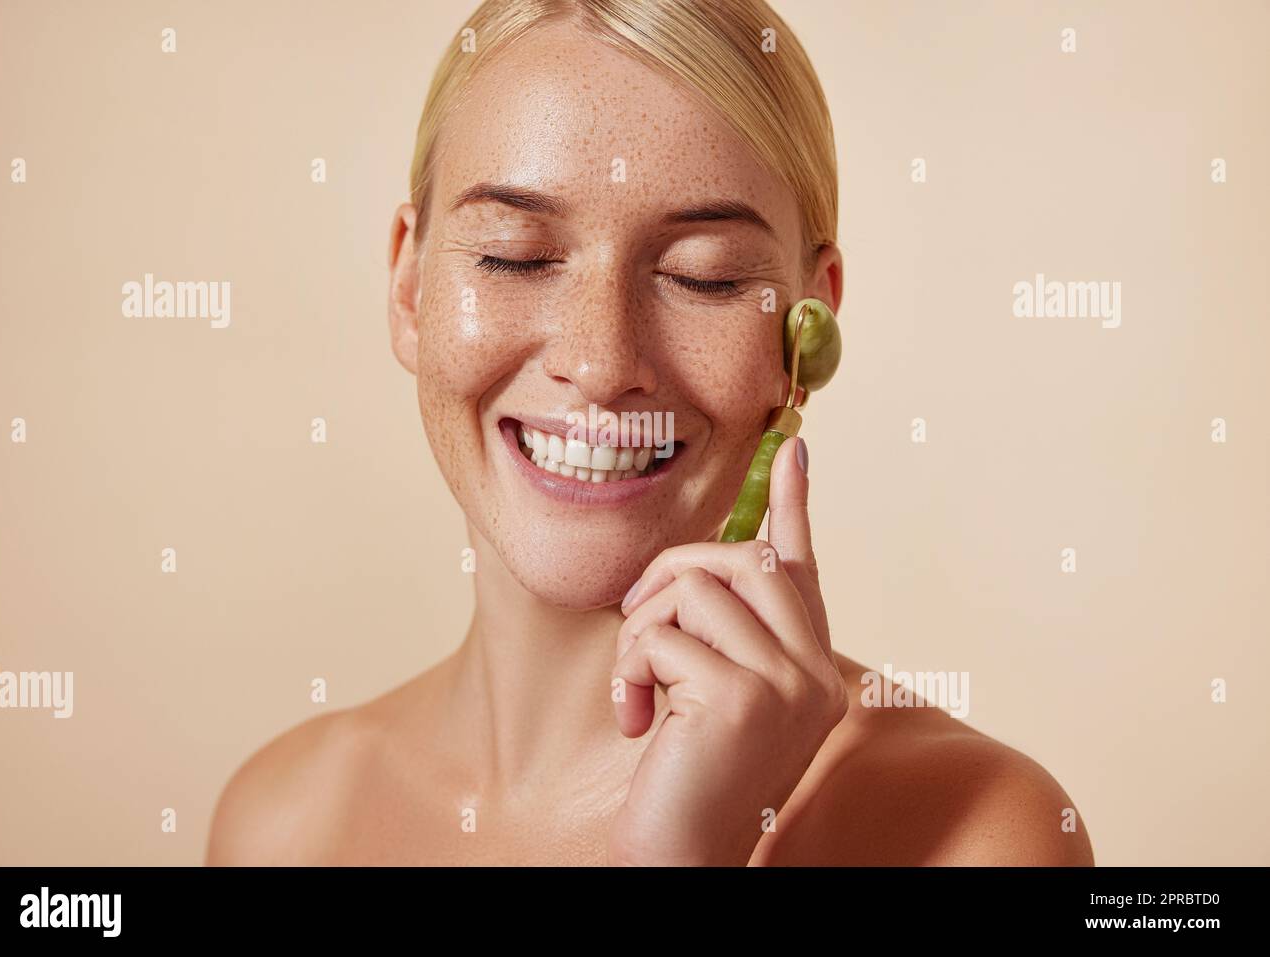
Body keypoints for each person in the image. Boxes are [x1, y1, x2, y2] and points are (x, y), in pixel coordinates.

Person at [207, 0, 1093, 866]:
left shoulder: (975, 836)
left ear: (806, 326)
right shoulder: (282, 820)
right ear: (409, 288)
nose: (600, 361)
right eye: (516, 254)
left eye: (701, 277)